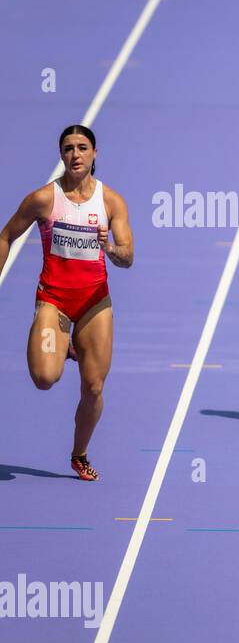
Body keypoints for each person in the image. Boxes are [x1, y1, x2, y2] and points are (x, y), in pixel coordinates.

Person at [0, 124, 133, 480]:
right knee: (45, 378)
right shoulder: (44, 199)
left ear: (95, 154)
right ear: (61, 155)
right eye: (68, 148)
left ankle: (79, 454)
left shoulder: (111, 202)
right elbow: (6, 236)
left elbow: (127, 256)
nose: (75, 154)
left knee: (93, 387)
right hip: (54, 301)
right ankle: (60, 342)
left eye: (82, 147)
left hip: (94, 303)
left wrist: (108, 247)